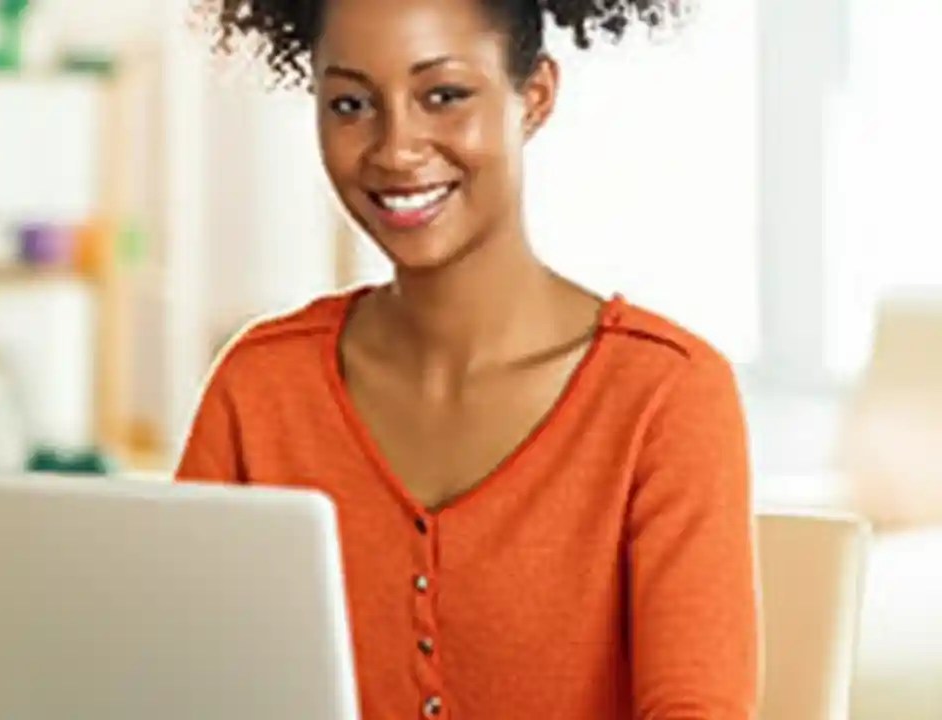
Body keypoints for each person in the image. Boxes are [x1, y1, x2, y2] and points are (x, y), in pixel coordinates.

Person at [176, 0, 759, 717]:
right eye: (351, 104)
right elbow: (187, 682)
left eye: (444, 96)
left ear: (535, 96)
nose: (395, 148)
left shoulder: (664, 396)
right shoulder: (260, 388)